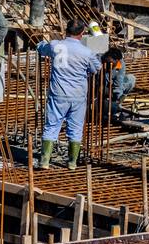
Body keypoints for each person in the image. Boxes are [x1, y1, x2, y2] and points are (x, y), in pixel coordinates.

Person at [35, 18, 102, 170]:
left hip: (58, 94)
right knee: (75, 128)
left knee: (51, 126)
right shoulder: (87, 52)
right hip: (78, 95)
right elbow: (96, 68)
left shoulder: (55, 45)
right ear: (82, 33)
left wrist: (39, 44)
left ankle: (44, 161)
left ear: (66, 31)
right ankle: (72, 163)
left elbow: (41, 48)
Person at [102, 46, 137, 123]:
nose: (114, 64)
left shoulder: (119, 63)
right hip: (100, 88)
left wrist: (117, 98)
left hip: (111, 88)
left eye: (116, 62)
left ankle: (116, 105)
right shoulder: (99, 60)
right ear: (108, 57)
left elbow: (119, 82)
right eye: (111, 62)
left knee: (131, 79)